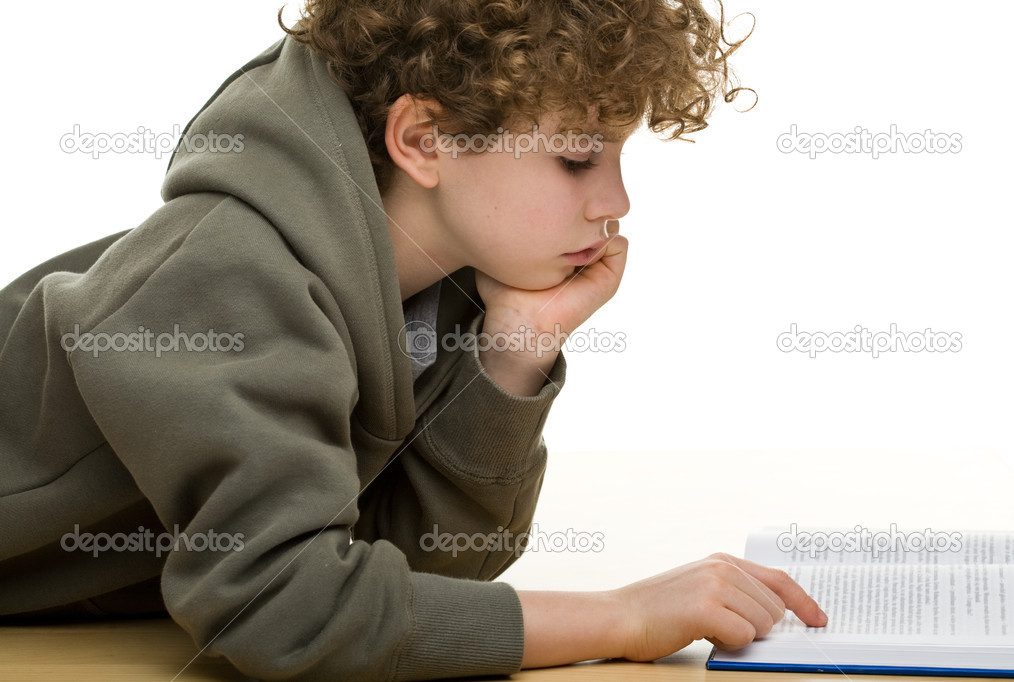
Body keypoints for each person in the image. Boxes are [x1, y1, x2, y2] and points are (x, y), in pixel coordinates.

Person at [0, 0, 826, 679]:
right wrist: (621, 615)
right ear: (424, 140)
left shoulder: (447, 278)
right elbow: (280, 612)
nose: (616, 199)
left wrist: (509, 356)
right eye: (577, 157)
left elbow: (425, 574)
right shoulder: (228, 273)